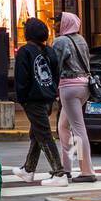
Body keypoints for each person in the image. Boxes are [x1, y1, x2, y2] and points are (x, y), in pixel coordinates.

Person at [12, 17, 70, 186]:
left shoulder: (25, 51)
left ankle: (59, 173)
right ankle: (28, 169)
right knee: (37, 132)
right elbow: (56, 75)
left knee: (43, 135)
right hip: (47, 98)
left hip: (32, 98)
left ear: (27, 33)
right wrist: (52, 93)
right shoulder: (50, 51)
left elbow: (21, 78)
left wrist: (21, 98)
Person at [52, 12, 98, 183]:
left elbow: (54, 65)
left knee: (78, 129)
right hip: (84, 86)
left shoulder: (59, 41)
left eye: (57, 22)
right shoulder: (82, 39)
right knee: (63, 126)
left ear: (65, 23)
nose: (55, 25)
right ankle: (66, 167)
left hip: (69, 87)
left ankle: (87, 171)